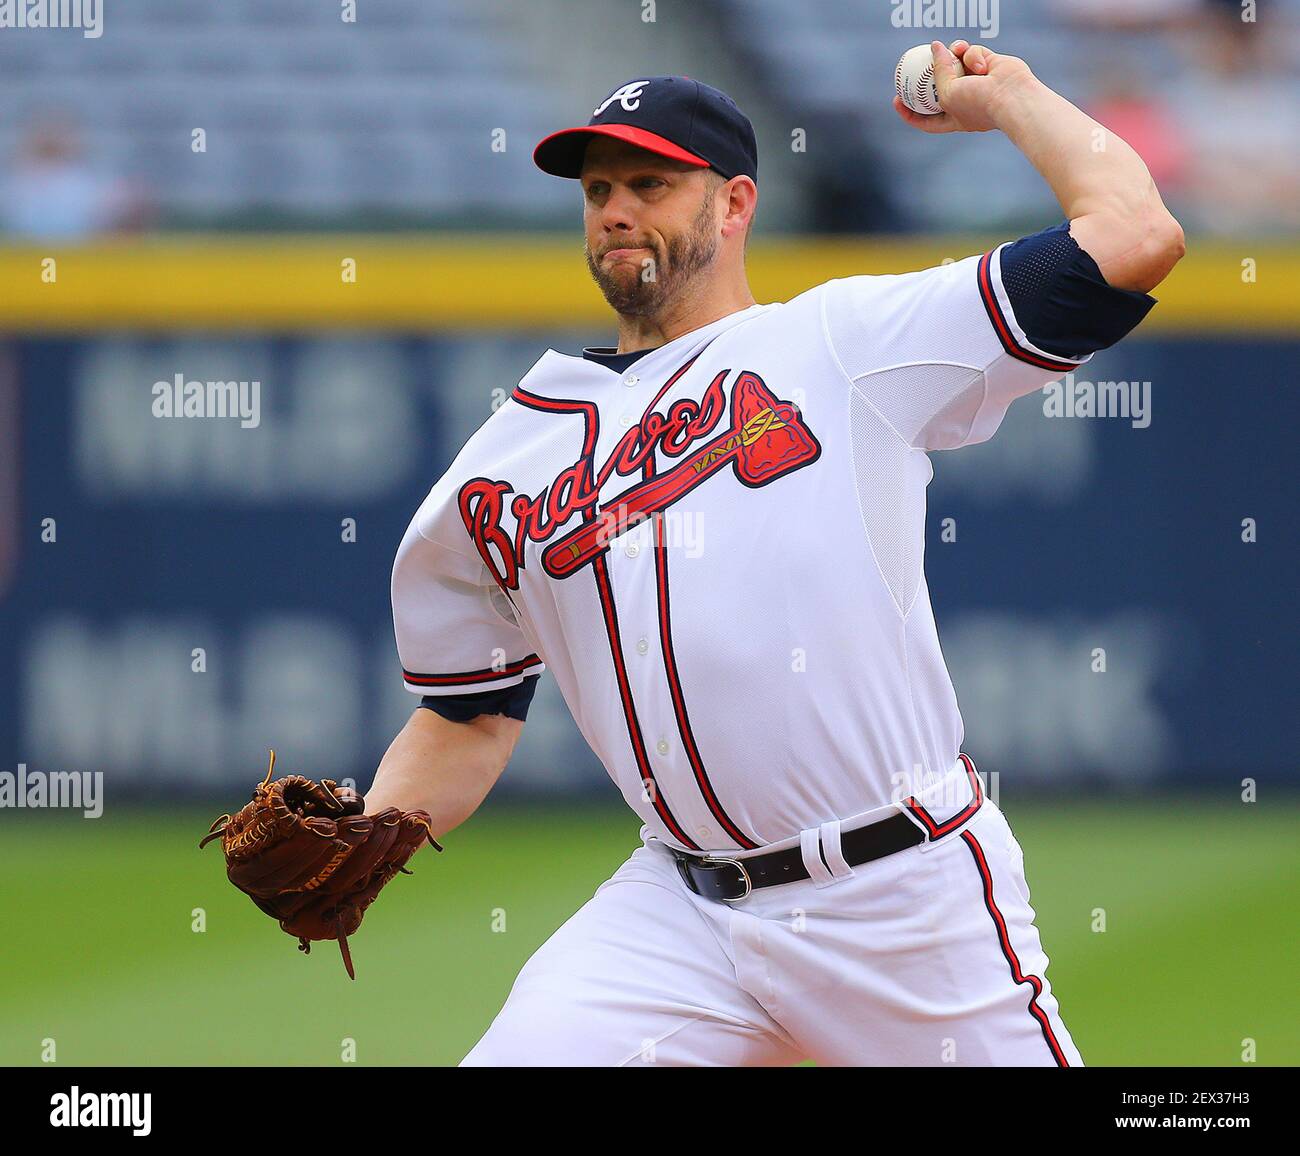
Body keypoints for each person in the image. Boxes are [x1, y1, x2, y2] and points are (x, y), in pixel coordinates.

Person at [367, 43, 1184, 1066]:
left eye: (653, 183)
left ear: (736, 203)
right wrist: (371, 832)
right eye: (599, 189)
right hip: (680, 911)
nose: (618, 209)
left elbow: (1134, 234)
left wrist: (1013, 99)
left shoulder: (845, 342)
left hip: (898, 891)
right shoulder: (513, 456)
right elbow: (468, 712)